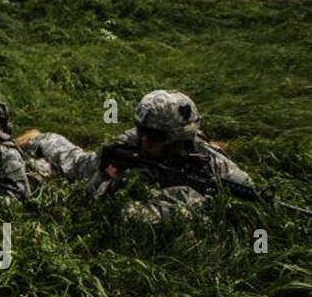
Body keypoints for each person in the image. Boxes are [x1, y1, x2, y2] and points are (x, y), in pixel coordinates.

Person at [25, 90, 254, 224]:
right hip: (121, 170)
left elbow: (247, 193)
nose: (143, 139)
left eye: (153, 135)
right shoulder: (133, 142)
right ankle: (39, 138)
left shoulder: (217, 168)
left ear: (177, 137)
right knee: (75, 164)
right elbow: (90, 199)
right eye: (140, 129)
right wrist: (110, 172)